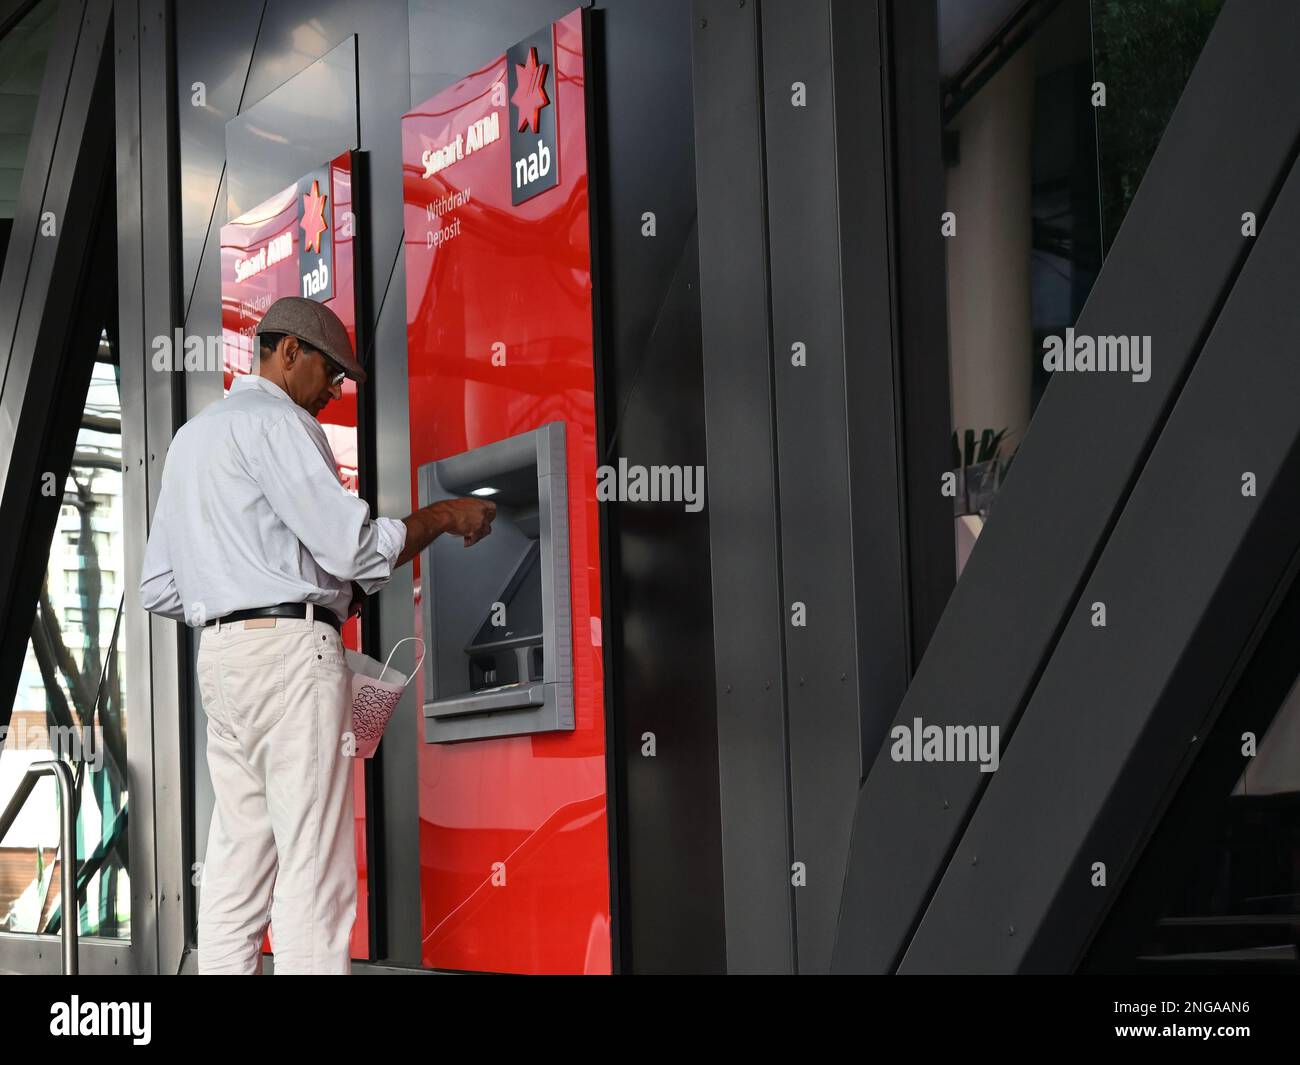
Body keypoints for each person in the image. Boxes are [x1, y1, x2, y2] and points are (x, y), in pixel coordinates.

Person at [138, 296, 495, 974]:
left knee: (238, 870)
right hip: (288, 660)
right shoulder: (280, 422)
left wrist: (242, 587)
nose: (335, 390)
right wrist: (444, 514)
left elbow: (159, 585)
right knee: (313, 869)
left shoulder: (192, 438)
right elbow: (356, 549)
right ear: (287, 352)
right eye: (331, 372)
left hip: (222, 662)